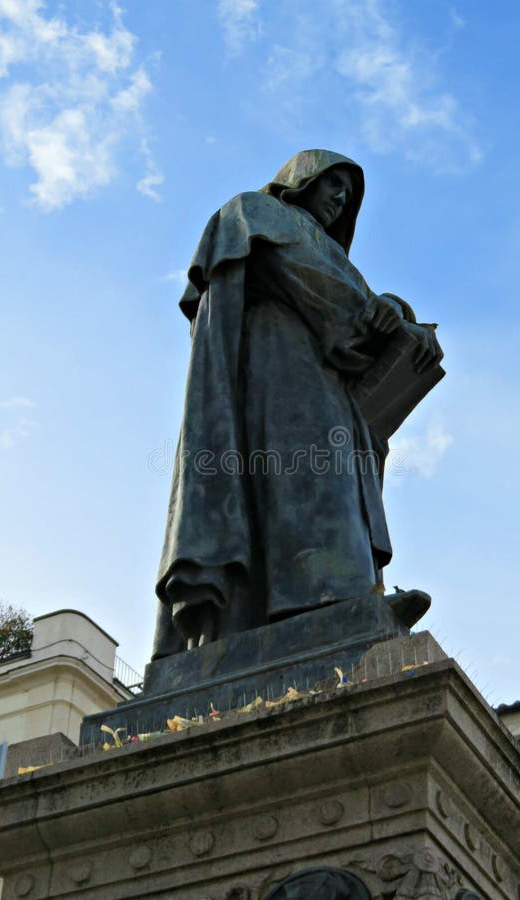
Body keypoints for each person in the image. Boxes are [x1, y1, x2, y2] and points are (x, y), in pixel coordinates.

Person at [152, 149, 442, 659]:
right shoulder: (256, 213)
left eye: (348, 197)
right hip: (277, 369)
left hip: (326, 385)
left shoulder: (328, 252)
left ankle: (348, 596)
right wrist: (377, 313)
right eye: (333, 185)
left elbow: (358, 300)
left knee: (333, 483)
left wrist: (396, 312)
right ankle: (329, 604)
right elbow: (311, 279)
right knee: (307, 481)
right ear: (300, 178)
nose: (340, 200)